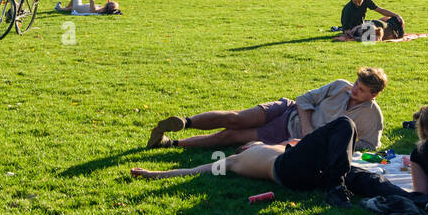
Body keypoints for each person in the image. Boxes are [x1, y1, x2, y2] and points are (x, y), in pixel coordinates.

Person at [132, 115, 363, 208]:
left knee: (347, 144)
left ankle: (375, 192)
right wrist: (154, 174)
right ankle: (336, 187)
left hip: (306, 175)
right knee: (344, 123)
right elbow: (195, 170)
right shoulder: (235, 160)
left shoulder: (277, 146)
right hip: (286, 170)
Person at [146, 68, 387, 151]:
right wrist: (307, 127)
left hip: (285, 136)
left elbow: (369, 146)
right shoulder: (340, 86)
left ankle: (169, 143)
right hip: (288, 110)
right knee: (236, 118)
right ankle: (184, 122)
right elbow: (303, 99)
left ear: (373, 94)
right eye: (356, 84)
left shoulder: (372, 116)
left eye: (361, 89)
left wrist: (332, 142)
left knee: (229, 135)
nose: (354, 89)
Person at [335, 12, 404, 41]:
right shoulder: (380, 25)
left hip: (388, 26)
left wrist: (353, 36)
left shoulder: (378, 31)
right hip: (381, 24)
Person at [55, 0, 121, 15]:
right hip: (80, 8)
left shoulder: (95, 10)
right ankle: (66, 8)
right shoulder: (103, 9)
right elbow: (109, 4)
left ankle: (62, 8)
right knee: (71, 8)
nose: (110, 1)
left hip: (77, 8)